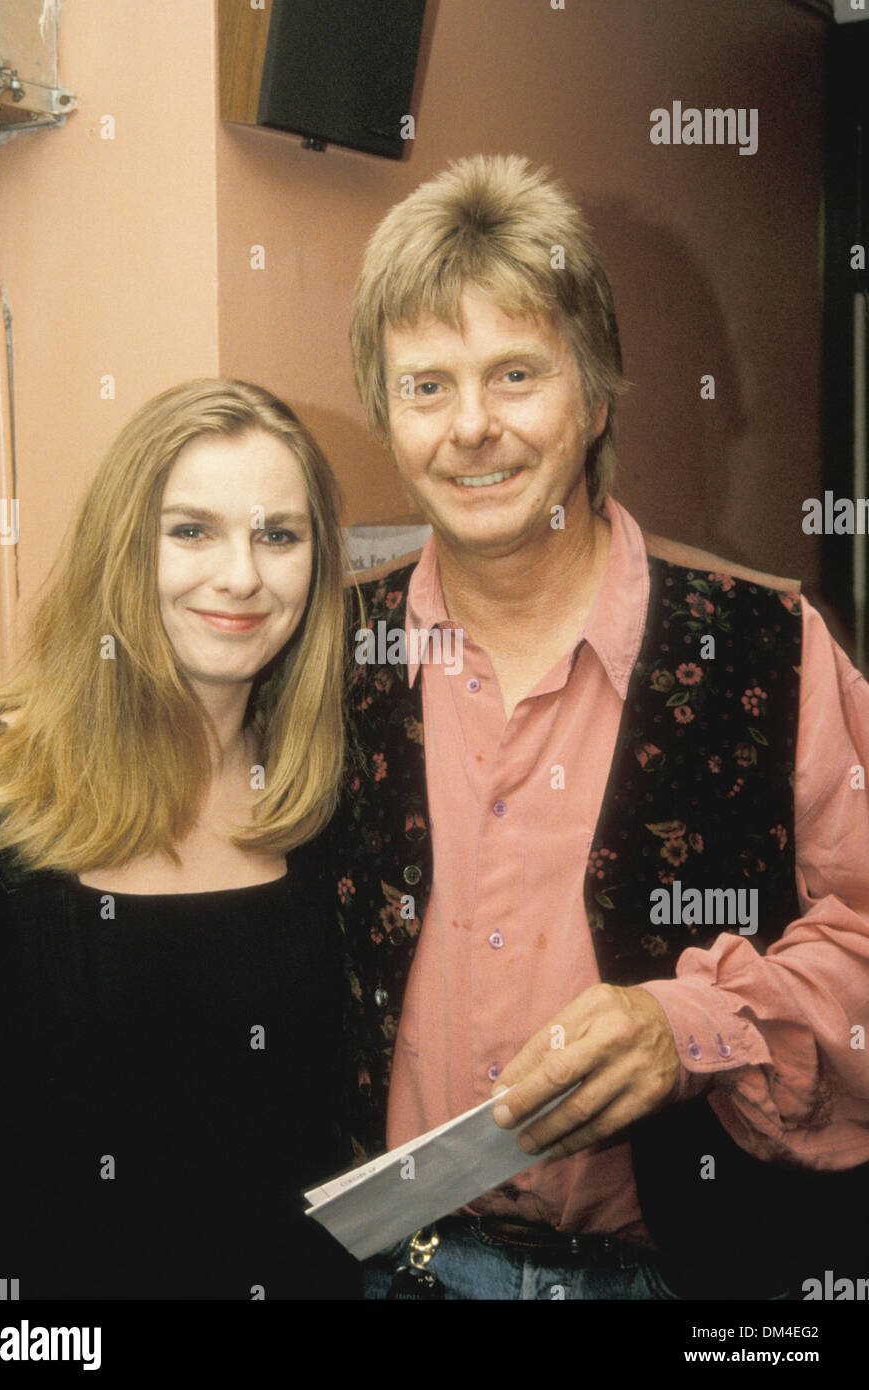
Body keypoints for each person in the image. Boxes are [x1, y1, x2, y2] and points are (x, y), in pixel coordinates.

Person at [335, 154, 869, 1300]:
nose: (471, 427)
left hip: (693, 1281)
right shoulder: (325, 656)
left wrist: (699, 1023)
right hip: (393, 1272)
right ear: (386, 411)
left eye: (515, 373)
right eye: (426, 386)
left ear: (596, 389)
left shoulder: (769, 645)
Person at [0, 378, 359, 1299]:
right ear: (122, 550)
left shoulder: (333, 794)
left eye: (278, 535)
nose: (242, 575)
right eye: (192, 530)